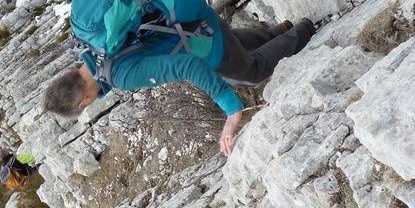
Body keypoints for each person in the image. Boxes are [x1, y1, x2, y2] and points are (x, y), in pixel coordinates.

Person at [43, 14, 314, 156]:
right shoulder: (90, 48)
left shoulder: (119, 75)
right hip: (189, 19)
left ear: (83, 103)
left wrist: (231, 109)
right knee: (231, 48)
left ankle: (303, 31)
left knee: (252, 70)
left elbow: (186, 65)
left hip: (199, 38)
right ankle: (275, 33)